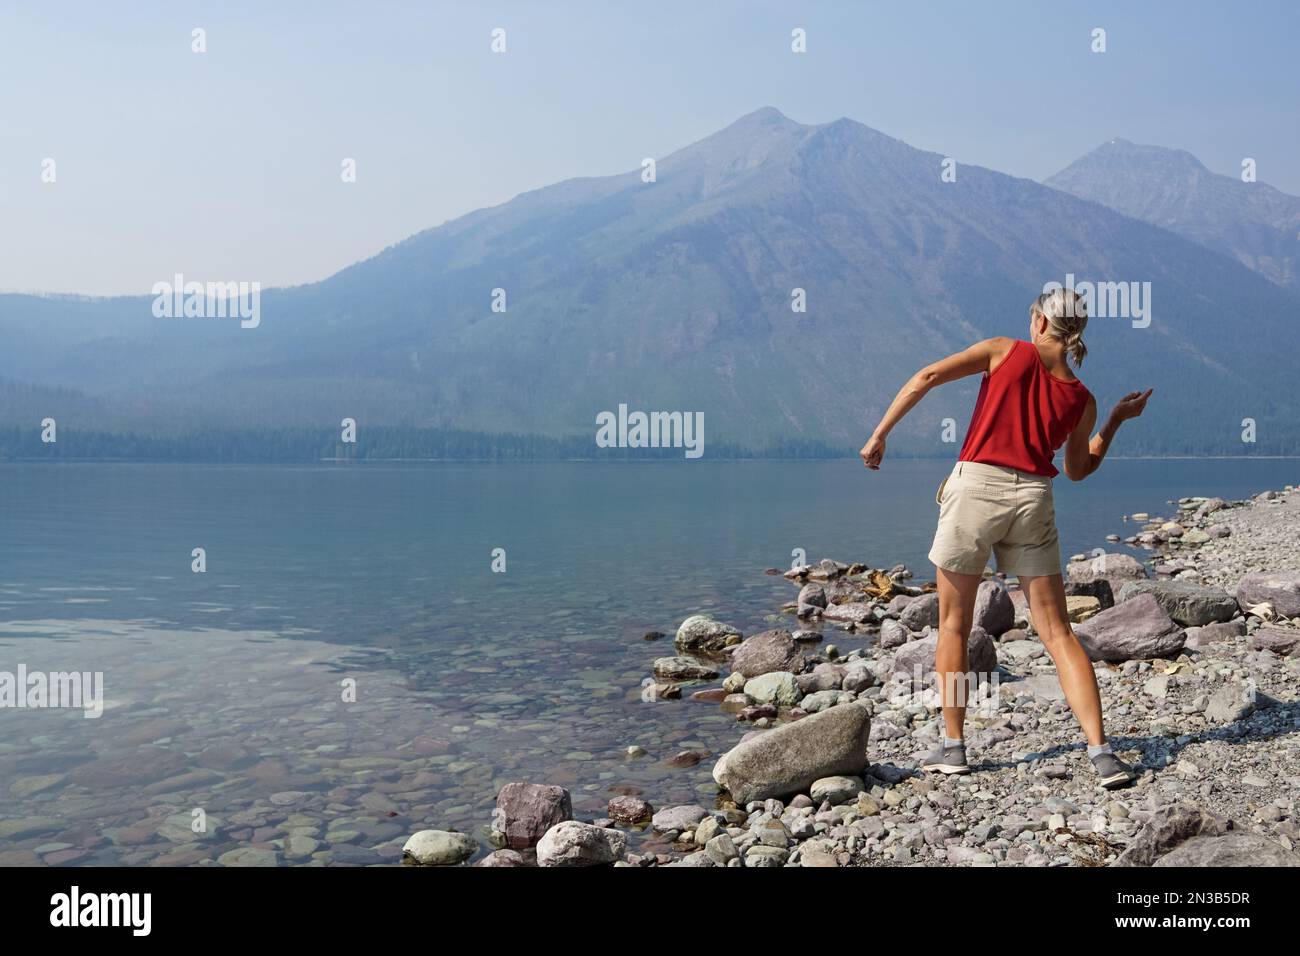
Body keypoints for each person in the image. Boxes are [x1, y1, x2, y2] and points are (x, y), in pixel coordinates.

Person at [859, 288, 1152, 789]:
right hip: (1034, 498)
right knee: (1057, 632)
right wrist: (1114, 423)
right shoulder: (1082, 398)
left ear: (1039, 321)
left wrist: (880, 433)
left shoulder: (1003, 350)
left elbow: (928, 376)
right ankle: (1102, 754)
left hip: (976, 490)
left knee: (953, 625)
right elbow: (1078, 470)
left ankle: (953, 748)